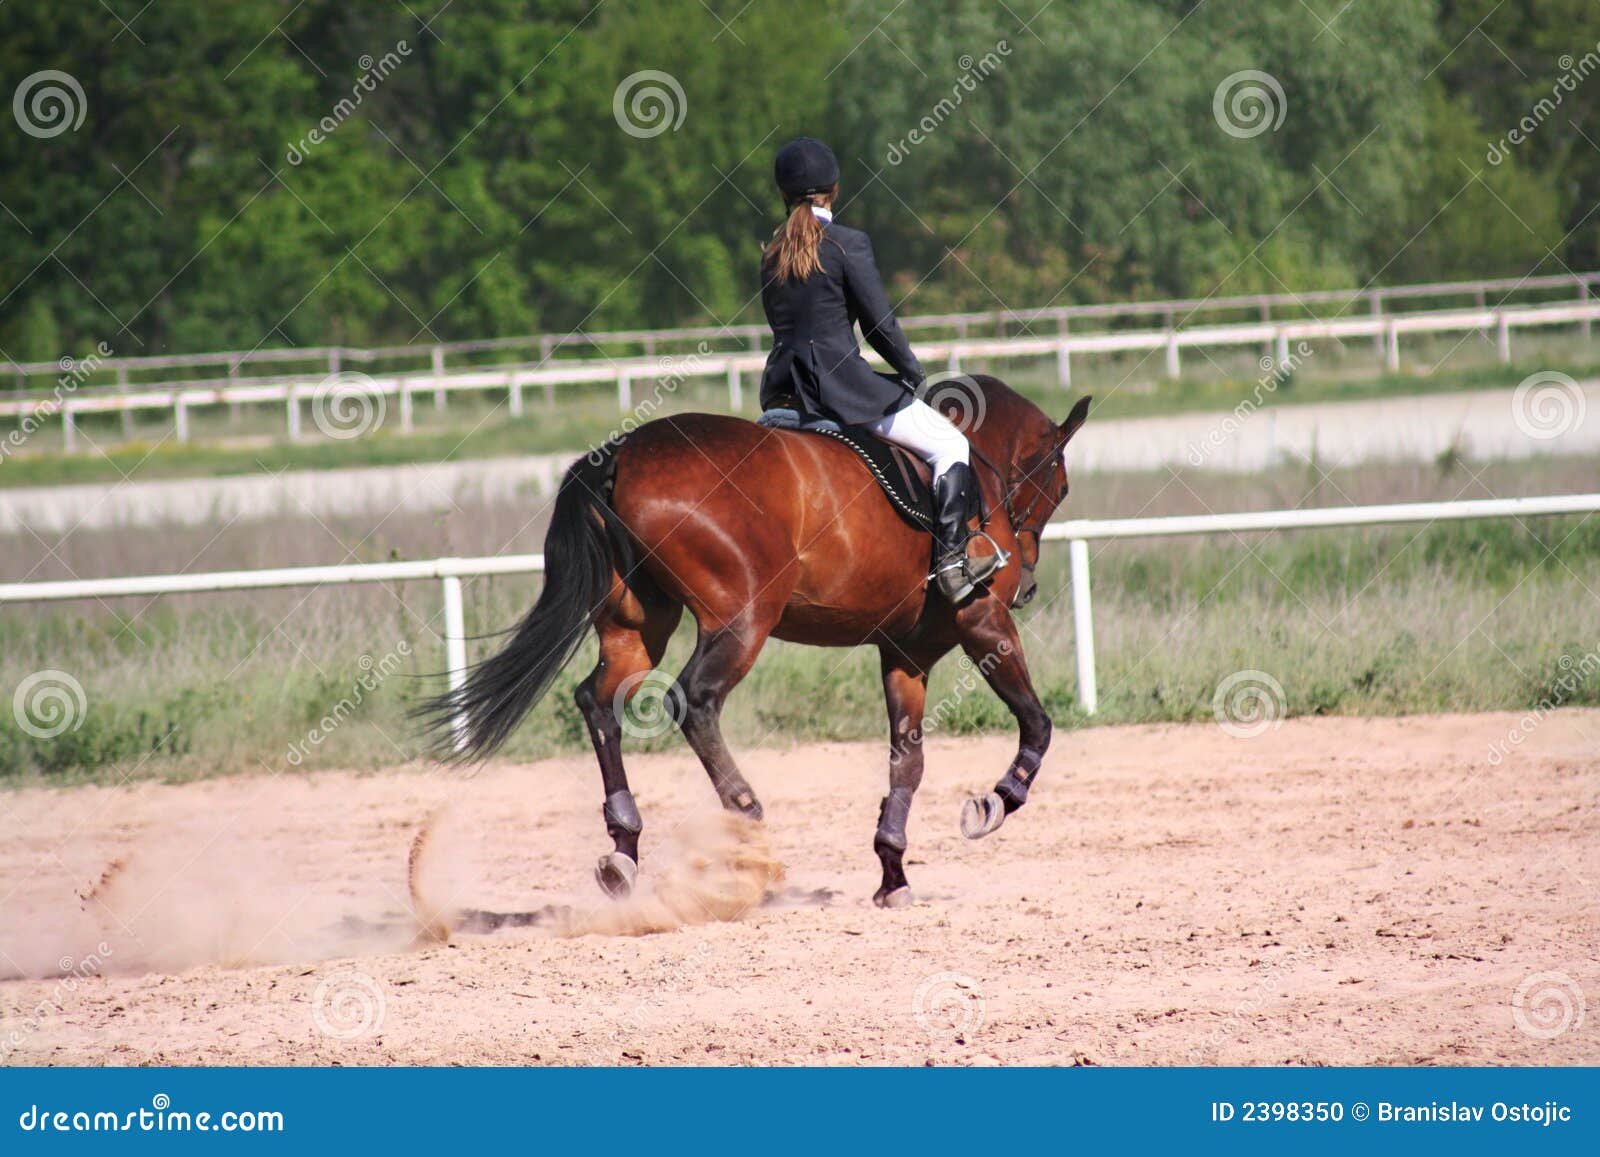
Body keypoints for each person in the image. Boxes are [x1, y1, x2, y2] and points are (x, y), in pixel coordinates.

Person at [757, 136, 997, 603]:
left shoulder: (770, 253)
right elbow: (879, 324)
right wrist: (912, 375)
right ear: (835, 189)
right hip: (844, 391)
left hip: (783, 393)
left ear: (783, 194)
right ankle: (950, 564)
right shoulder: (848, 244)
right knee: (950, 443)